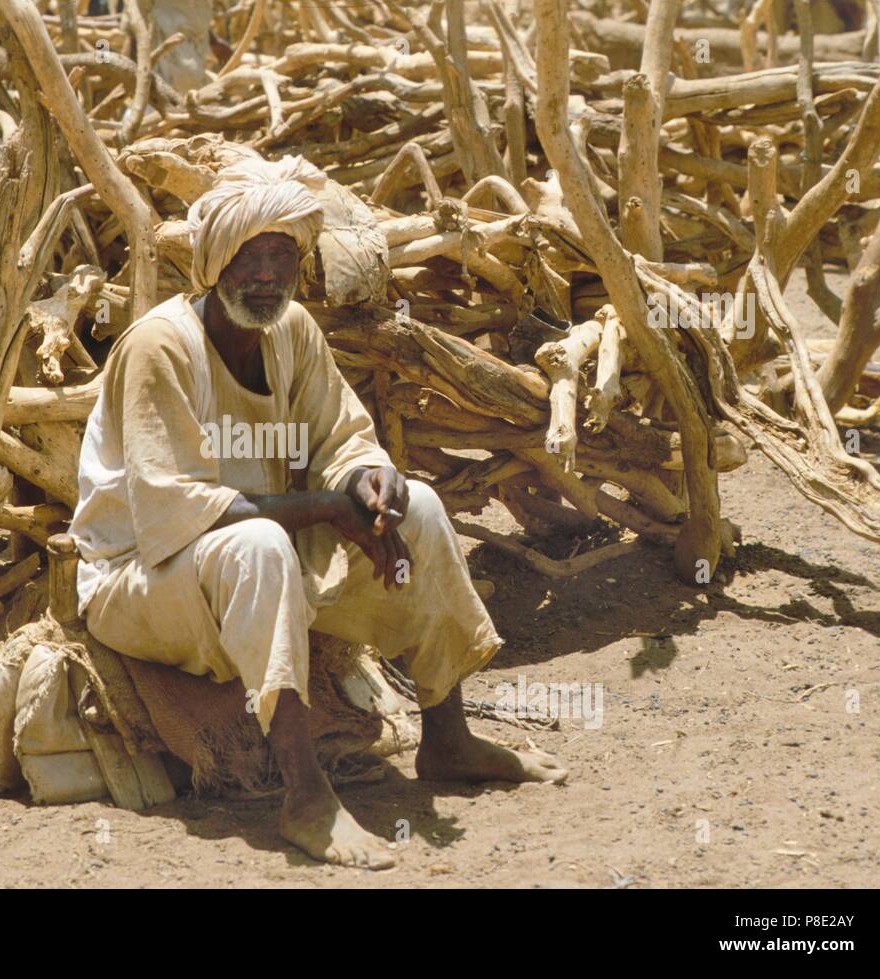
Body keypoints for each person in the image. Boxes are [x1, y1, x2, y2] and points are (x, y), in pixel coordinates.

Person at [68, 155, 565, 870]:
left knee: (419, 504)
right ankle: (306, 798)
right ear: (215, 261)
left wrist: (368, 487)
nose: (267, 273)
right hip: (143, 577)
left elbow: (343, 438)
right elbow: (176, 511)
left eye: (282, 255)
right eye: (250, 254)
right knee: (261, 544)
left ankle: (448, 737)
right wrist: (329, 507)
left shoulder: (292, 332)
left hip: (248, 558)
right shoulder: (160, 346)